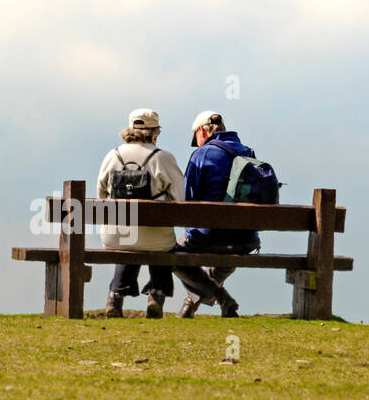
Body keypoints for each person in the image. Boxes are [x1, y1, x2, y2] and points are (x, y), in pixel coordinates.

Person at [96, 109, 185, 318]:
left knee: (129, 237)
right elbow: (180, 200)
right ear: (155, 133)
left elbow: (100, 194)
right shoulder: (163, 158)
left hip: (115, 237)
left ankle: (115, 296)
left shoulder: (112, 155)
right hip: (155, 238)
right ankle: (156, 294)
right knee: (160, 244)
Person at [173, 111, 261, 318]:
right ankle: (195, 302)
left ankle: (220, 298)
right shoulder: (249, 152)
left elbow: (185, 199)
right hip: (246, 239)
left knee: (169, 253)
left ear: (202, 131)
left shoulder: (201, 154)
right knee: (227, 255)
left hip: (208, 238)